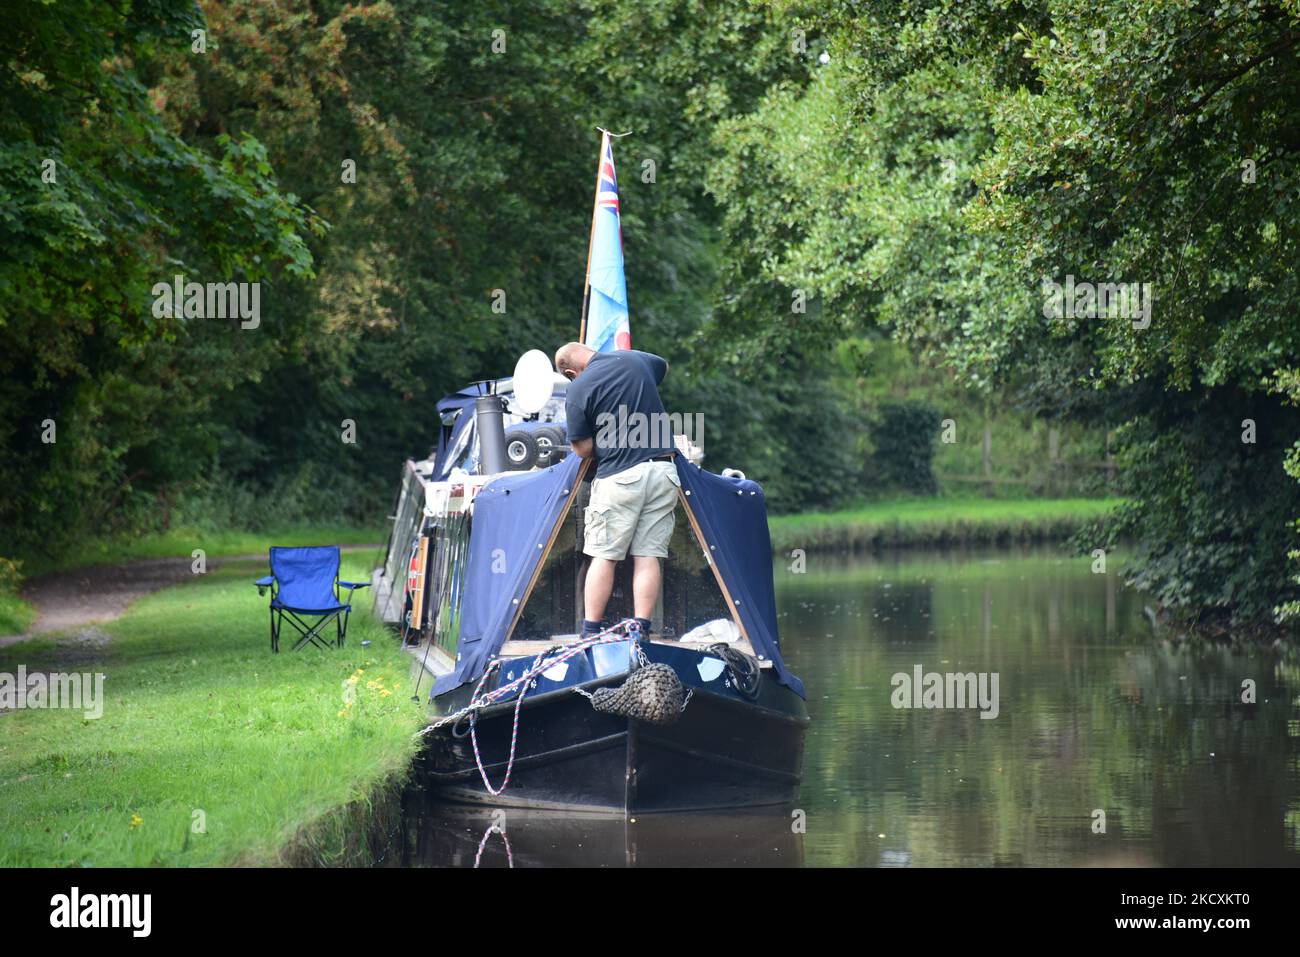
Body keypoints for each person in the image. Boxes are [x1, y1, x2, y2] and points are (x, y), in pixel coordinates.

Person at [555, 342, 679, 640]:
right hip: (664, 472)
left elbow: (582, 449)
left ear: (571, 372)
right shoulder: (635, 359)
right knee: (648, 556)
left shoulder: (579, 387)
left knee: (604, 555)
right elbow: (664, 367)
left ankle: (590, 632)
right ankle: (640, 629)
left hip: (621, 478)